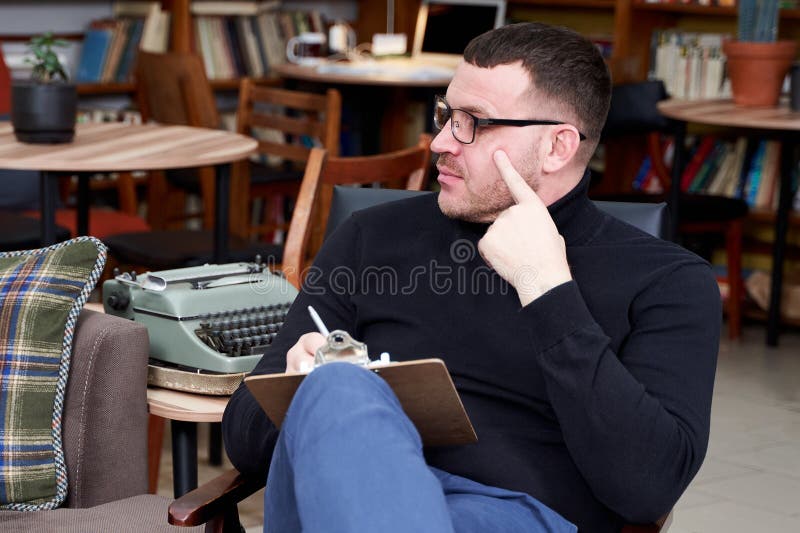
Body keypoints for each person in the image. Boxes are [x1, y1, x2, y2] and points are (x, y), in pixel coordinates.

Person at [222, 22, 720, 533]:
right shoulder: (371, 237)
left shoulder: (669, 282)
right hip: (337, 495)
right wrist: (300, 386)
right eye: (446, 115)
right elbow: (242, 440)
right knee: (339, 387)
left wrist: (547, 289)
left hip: (506, 515)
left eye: (474, 123)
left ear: (557, 146)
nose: (441, 141)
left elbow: (648, 488)